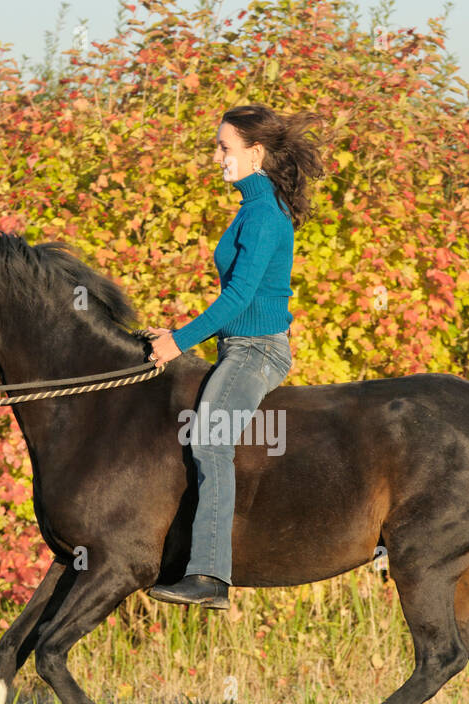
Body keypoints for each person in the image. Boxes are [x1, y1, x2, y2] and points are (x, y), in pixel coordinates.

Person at [145, 104, 325, 610]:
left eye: (224, 147)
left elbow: (239, 299)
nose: (217, 155)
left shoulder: (264, 215)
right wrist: (180, 338)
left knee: (209, 441)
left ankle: (209, 577)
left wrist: (178, 342)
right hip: (236, 346)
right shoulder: (252, 208)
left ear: (256, 153)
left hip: (258, 351)